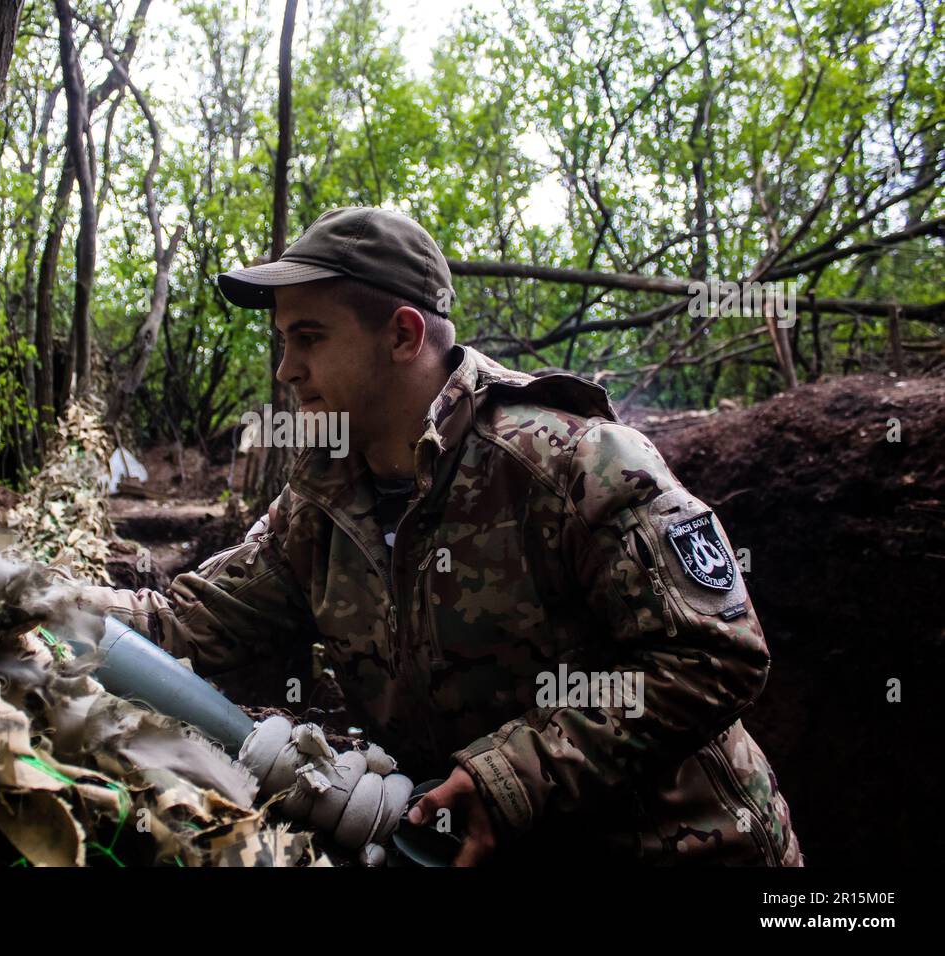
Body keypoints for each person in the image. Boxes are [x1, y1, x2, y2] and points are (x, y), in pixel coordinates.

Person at [75, 206, 802, 866]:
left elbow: (716, 653)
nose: (285, 369)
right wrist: (24, 603)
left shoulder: (570, 461)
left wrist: (516, 772)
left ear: (402, 334)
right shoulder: (323, 498)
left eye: (308, 338)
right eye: (282, 340)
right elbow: (186, 624)